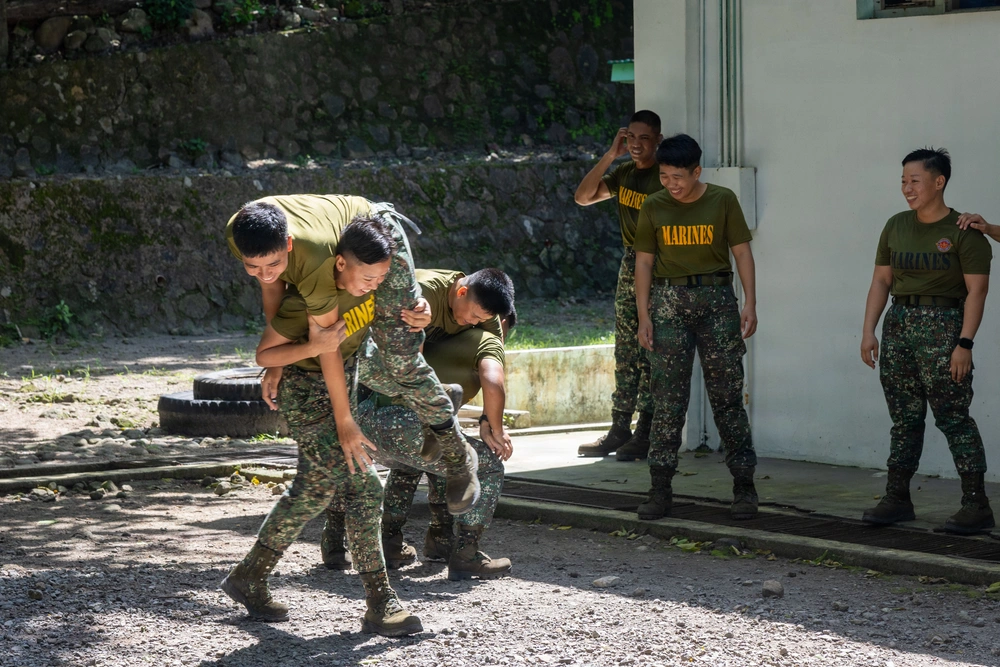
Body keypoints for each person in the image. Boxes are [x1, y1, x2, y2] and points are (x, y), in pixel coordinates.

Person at [219, 216, 422, 636]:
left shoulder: (368, 282)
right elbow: (264, 354)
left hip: (340, 384)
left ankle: (248, 577)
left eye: (380, 277)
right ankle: (380, 601)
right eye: (368, 277)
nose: (374, 284)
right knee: (366, 484)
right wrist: (301, 360)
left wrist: (423, 309)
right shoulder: (310, 302)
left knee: (311, 490)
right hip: (307, 395)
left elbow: (413, 298)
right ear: (341, 264)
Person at [225, 195, 479, 515]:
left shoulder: (316, 260)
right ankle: (430, 400)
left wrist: (345, 421)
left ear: (288, 245)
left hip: (377, 234)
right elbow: (271, 286)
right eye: (252, 267)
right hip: (348, 251)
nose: (263, 272)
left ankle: (459, 461)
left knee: (400, 352)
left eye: (273, 264)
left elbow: (326, 344)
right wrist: (280, 359)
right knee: (355, 352)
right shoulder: (242, 233)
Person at [323, 268, 516, 580]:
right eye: (475, 315)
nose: (476, 322)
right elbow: (490, 380)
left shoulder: (484, 318)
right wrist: (494, 426)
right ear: (462, 292)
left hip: (362, 408)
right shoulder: (420, 295)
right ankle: (465, 553)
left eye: (484, 319)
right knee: (480, 461)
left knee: (415, 458)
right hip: (376, 385)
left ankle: (374, 543)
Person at [861, 147, 993, 534]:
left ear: (939, 182)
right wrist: (869, 329)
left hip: (944, 327)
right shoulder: (896, 225)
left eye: (914, 181)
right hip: (899, 324)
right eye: (903, 181)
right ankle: (897, 497)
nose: (907, 188)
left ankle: (976, 505)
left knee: (953, 417)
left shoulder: (964, 231)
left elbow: (977, 292)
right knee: (904, 418)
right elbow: (881, 281)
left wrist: (964, 344)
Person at [633, 133, 759, 521]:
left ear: (696, 171)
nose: (671, 184)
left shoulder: (722, 200)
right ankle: (659, 489)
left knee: (727, 397)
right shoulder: (653, 206)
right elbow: (643, 263)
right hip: (668, 304)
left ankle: (744, 487)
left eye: (678, 177)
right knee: (668, 399)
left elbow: (742, 253)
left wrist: (750, 301)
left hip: (717, 301)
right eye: (665, 177)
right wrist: (644, 315)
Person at [574, 110, 664, 460]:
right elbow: (583, 197)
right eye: (631, 138)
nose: (637, 145)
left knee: (651, 349)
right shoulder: (625, 173)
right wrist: (611, 155)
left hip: (659, 266)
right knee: (625, 350)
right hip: (631, 264)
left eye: (644, 139)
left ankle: (646, 430)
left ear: (658, 139)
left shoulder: (664, 176)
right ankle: (619, 428)